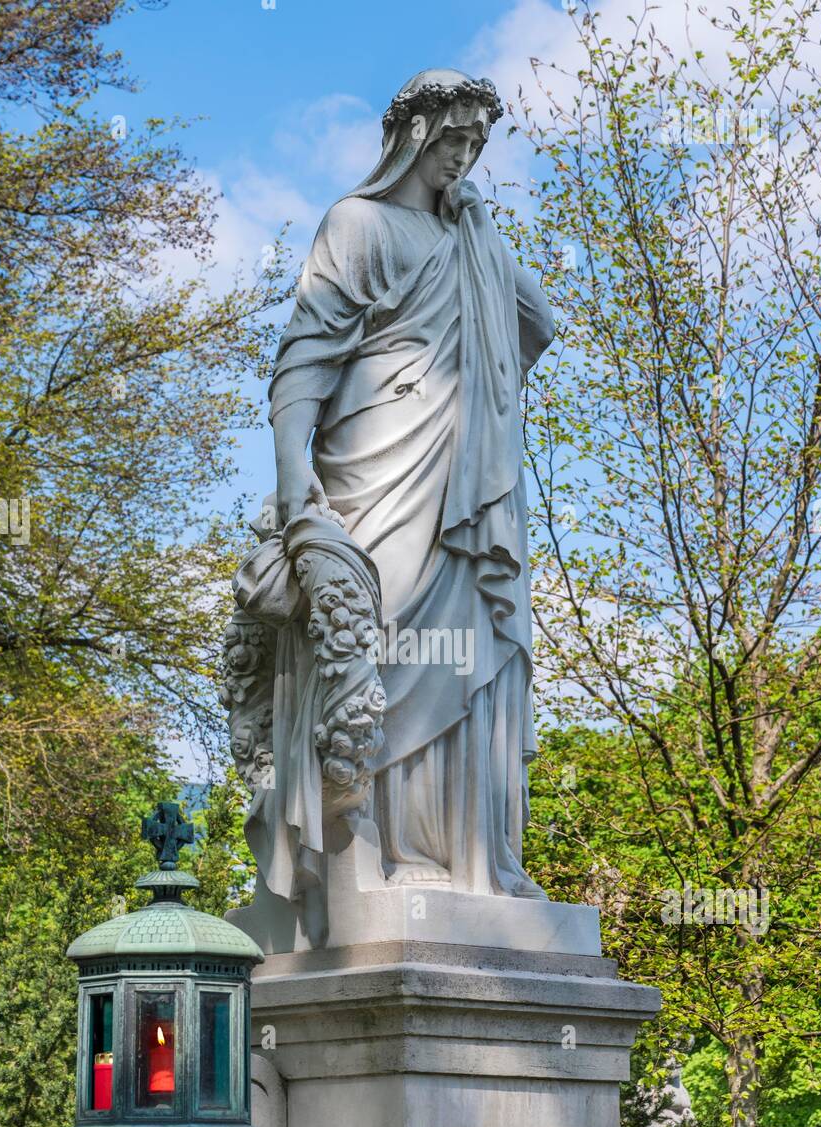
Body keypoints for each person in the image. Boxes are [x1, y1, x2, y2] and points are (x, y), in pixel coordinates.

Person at [254, 68, 555, 902]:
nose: (463, 157)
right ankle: (361, 850)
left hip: (465, 476)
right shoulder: (358, 223)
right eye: (451, 139)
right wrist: (291, 476)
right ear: (413, 137)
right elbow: (304, 355)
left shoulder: (471, 237)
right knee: (375, 638)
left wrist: (482, 235)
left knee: (466, 646)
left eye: (476, 145)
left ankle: (465, 860)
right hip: (378, 459)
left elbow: (536, 324)